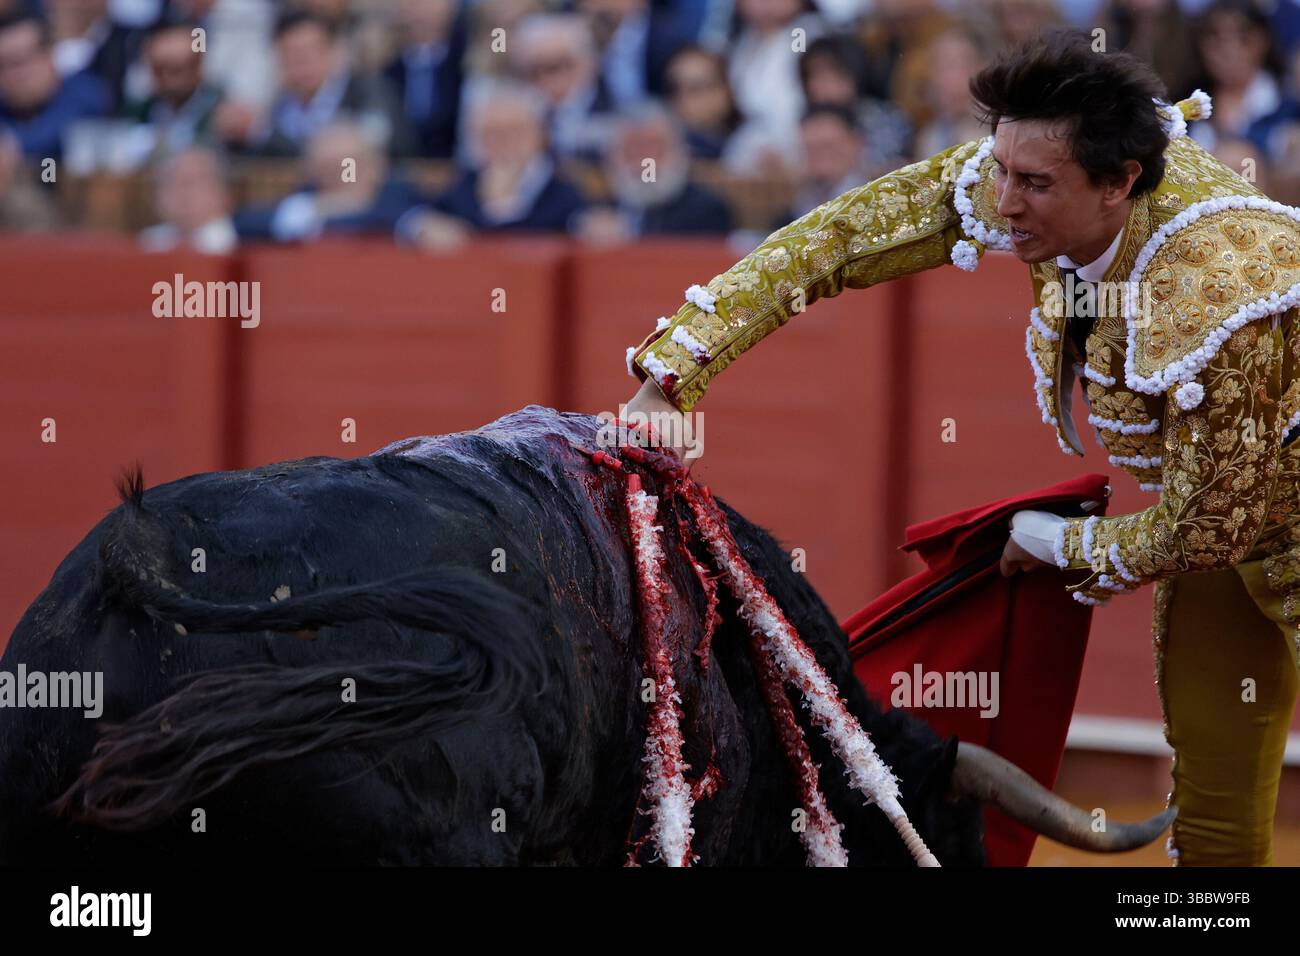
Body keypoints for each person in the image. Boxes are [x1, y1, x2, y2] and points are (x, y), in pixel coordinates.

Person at [622, 27, 1300, 866]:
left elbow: (1213, 526)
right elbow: (841, 238)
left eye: (1034, 184)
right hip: (1228, 517)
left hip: (1245, 515)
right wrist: (673, 370)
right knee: (1214, 811)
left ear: (1122, 182)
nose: (1003, 202)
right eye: (1003, 169)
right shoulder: (1034, 170)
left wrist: (1054, 542)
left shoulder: (1221, 287)